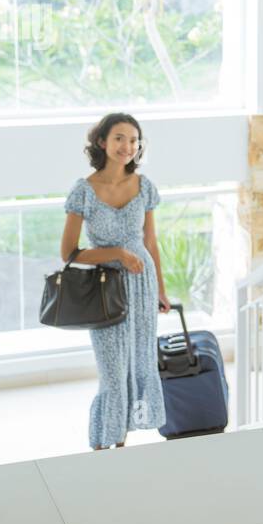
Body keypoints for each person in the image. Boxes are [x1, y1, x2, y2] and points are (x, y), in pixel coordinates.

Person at [60, 112, 172, 450]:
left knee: (139, 363)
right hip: (107, 289)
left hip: (143, 284)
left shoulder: (144, 186)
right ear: (102, 142)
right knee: (112, 374)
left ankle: (120, 444)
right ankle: (101, 443)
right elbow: (69, 253)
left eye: (134, 140)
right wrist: (119, 253)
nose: (128, 146)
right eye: (120, 138)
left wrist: (162, 291)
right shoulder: (84, 191)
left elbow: (151, 243)